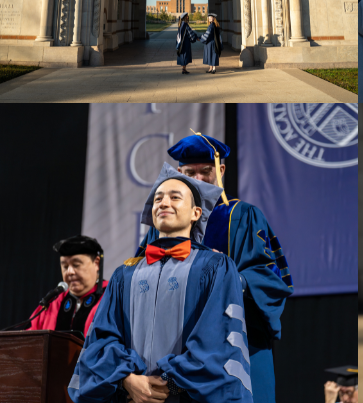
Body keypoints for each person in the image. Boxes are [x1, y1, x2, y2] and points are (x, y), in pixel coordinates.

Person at [69, 163, 253, 403]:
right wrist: (127, 379)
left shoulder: (216, 266)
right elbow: (102, 338)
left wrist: (171, 385)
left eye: (175, 197)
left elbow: (218, 339)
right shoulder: (124, 274)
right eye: (158, 199)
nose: (164, 203)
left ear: (196, 213)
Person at [136, 133, 293, 403]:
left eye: (205, 172)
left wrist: (229, 278)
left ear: (220, 171)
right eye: (189, 173)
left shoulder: (242, 216)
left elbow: (267, 278)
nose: (197, 180)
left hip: (236, 344)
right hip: (177, 351)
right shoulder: (163, 226)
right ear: (178, 173)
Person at [27, 236, 108, 338]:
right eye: (65, 266)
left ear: (96, 263)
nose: (69, 272)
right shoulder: (53, 302)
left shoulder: (111, 297)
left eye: (76, 265)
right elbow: (29, 339)